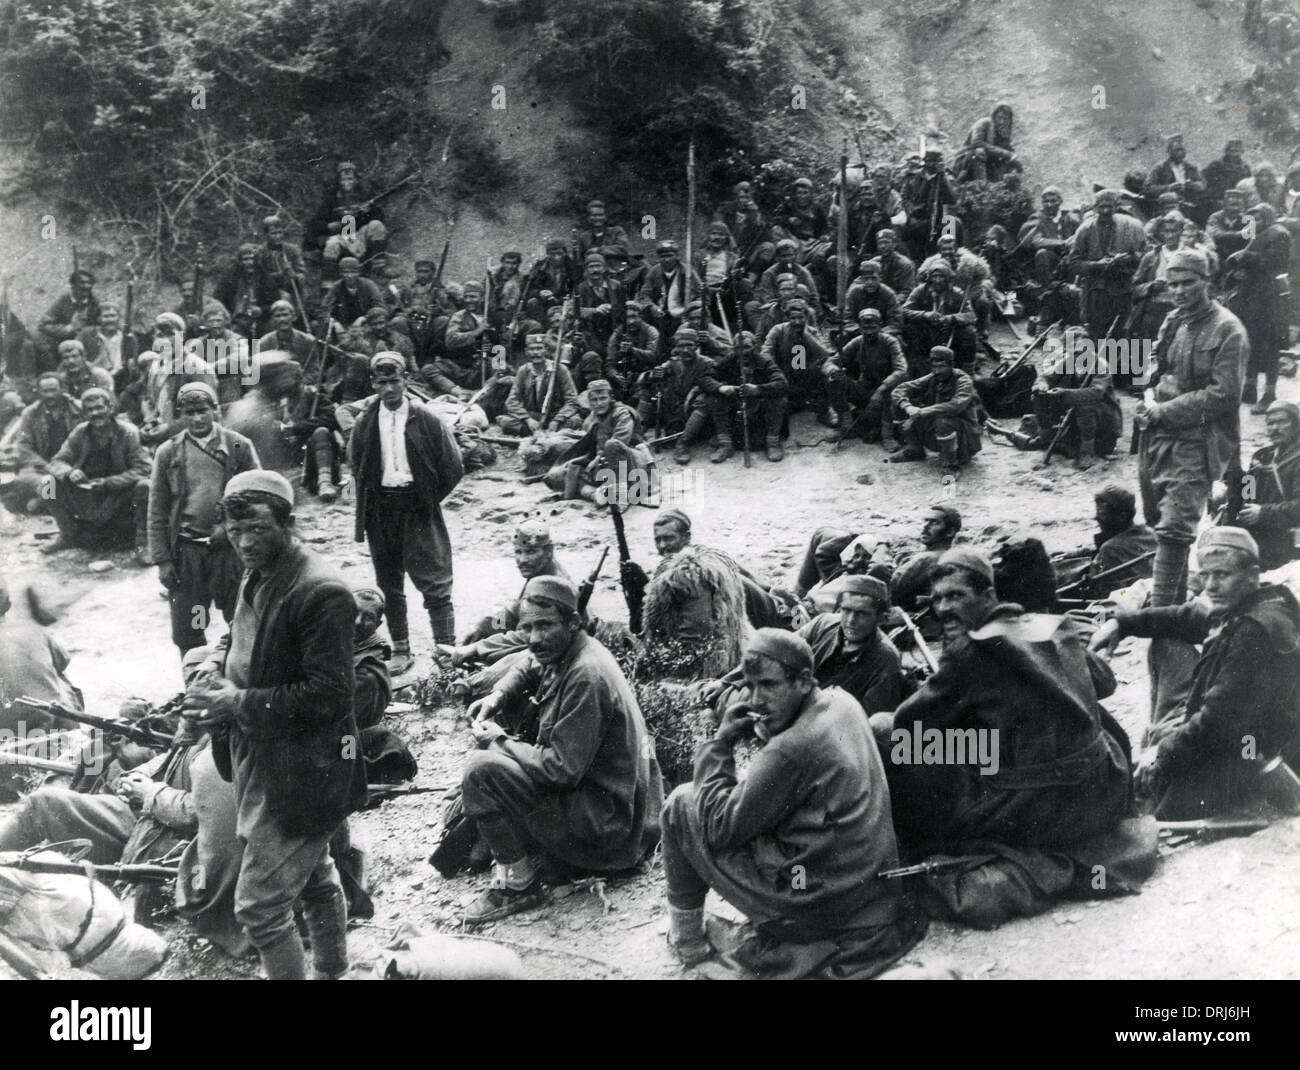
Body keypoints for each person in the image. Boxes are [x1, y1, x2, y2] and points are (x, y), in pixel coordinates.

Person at [183, 469, 366, 980]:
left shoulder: (321, 590)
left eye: (257, 529)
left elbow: (331, 695)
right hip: (259, 752)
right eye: (234, 531)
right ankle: (332, 972)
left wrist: (237, 702)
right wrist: (213, 669)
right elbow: (238, 637)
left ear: (287, 522)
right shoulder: (258, 569)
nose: (243, 542)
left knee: (260, 909)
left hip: (304, 764)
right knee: (314, 876)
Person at [660, 629, 923, 977]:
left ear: (803, 681)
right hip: (871, 891)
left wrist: (720, 742)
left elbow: (718, 828)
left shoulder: (790, 750)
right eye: (749, 685)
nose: (755, 700)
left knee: (682, 803)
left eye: (768, 685)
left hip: (813, 897)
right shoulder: (842, 702)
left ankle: (688, 939)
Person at [872, 548, 1131, 852]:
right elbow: (1104, 680)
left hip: (1044, 810)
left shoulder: (970, 652)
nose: (943, 608)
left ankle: (904, 845)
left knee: (883, 730)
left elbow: (909, 725)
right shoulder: (1048, 626)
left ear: (988, 594)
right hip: (1105, 791)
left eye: (955, 596)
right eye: (937, 600)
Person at [458, 575, 662, 924]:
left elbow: (560, 771)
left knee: (481, 771)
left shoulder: (585, 675)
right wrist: (496, 696)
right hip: (619, 806)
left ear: (573, 622)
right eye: (527, 628)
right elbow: (528, 662)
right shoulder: (574, 648)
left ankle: (519, 885)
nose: (535, 638)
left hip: (610, 827)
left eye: (545, 626)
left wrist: (499, 741)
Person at [1090, 527, 1300, 819]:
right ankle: (1161, 737)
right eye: (1205, 575)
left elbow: (1217, 724)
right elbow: (1183, 618)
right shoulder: (1256, 600)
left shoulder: (1254, 631)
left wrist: (1162, 754)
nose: (1210, 586)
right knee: (1167, 638)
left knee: (1141, 807)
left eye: (1222, 575)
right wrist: (1120, 624)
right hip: (1234, 730)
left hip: (1244, 757)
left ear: (1251, 574)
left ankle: (1157, 745)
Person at [1136, 247, 1249, 722]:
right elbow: (1156, 368)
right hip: (1159, 438)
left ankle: (1165, 622)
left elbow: (1224, 395)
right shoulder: (1173, 322)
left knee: (1175, 530)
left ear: (1209, 280)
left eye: (1188, 283)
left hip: (1198, 442)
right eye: (1173, 284)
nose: (1179, 291)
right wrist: (1153, 386)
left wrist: (1165, 405)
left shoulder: (1228, 329)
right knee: (1158, 518)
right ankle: (1176, 612)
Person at [349, 353, 464, 675]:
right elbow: (356, 463)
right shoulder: (366, 420)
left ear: (406, 380)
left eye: (395, 381)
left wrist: (428, 499)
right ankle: (400, 649)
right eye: (382, 382)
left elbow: (453, 466)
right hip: (382, 512)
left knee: (435, 581)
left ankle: (446, 650)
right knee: (389, 582)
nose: (389, 389)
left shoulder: (425, 417)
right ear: (373, 383)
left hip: (417, 509)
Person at [147, 382, 260, 658]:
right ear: (180, 415)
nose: (197, 419)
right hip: (188, 553)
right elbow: (157, 508)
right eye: (189, 412)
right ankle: (197, 685)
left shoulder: (237, 446)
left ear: (215, 410)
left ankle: (240, 681)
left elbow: (256, 493)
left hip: (231, 551)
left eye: (203, 411)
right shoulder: (169, 452)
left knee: (242, 618)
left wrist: (230, 525)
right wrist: (162, 559)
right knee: (192, 623)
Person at [42, 387, 150, 559]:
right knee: (46, 484)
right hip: (87, 494)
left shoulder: (128, 432)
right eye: (90, 410)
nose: (95, 413)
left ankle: (143, 543)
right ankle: (67, 534)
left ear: (110, 408)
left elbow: (144, 468)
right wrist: (70, 472)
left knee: (145, 486)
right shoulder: (80, 432)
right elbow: (56, 462)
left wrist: (109, 482)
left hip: (118, 496)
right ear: (84, 413)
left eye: (100, 407)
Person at [1024, 327, 1123, 468]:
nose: (1078, 354)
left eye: (1082, 349)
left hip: (1102, 421)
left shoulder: (1100, 365)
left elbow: (1095, 393)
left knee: (1085, 404)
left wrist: (1064, 393)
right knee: (1039, 395)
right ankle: (1045, 436)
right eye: (1073, 350)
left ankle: (1086, 453)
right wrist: (1042, 385)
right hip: (1075, 418)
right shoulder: (1068, 361)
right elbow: (1046, 376)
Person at [1225, 202, 1291, 411]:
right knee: (1250, 340)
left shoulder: (1279, 234)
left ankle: (1270, 393)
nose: (1255, 223)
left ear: (1268, 218)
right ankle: (1250, 386)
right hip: (1251, 295)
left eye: (1260, 218)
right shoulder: (1253, 236)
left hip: (1270, 296)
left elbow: (1274, 263)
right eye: (1252, 219)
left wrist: (1244, 257)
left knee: (1269, 345)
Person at [545, 378, 652, 504]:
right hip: (603, 465)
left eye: (603, 398)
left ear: (610, 398)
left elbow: (620, 440)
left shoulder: (622, 413)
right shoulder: (592, 417)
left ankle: (620, 493)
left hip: (628, 462)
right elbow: (588, 439)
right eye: (594, 400)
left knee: (612, 445)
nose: (599, 403)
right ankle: (593, 493)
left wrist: (597, 459)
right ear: (589, 402)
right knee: (555, 475)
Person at [886, 346, 981, 476]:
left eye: (941, 367)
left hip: (964, 437)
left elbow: (955, 405)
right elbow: (900, 390)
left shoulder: (963, 380)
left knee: (944, 421)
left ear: (951, 365)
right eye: (934, 367)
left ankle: (951, 464)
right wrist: (907, 407)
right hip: (938, 429)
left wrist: (921, 411)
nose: (937, 371)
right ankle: (915, 450)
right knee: (898, 404)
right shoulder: (934, 377)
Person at [638, 327, 728, 464]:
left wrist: (695, 393)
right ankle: (638, 433)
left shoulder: (707, 363)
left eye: (689, 345)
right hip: (677, 414)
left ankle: (683, 444)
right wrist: (652, 375)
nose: (685, 350)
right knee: (649, 392)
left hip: (698, 414)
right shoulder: (672, 363)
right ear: (676, 347)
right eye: (681, 346)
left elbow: (717, 384)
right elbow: (642, 380)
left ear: (697, 346)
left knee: (705, 399)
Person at [1068, 189, 1148, 343]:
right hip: (1096, 292)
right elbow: (1073, 263)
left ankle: (1118, 366)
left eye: (1109, 206)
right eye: (1101, 207)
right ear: (1095, 208)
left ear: (1116, 206)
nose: (1105, 211)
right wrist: (1095, 265)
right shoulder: (1085, 230)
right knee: (1096, 334)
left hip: (1123, 290)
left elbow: (1146, 255)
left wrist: (1130, 258)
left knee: (1122, 334)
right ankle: (1099, 366)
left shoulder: (1132, 226)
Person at [1228, 399, 1300, 569]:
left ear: (1296, 424)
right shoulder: (1262, 456)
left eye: (1282, 422)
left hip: (1290, 543)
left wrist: (1263, 513)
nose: (1275, 428)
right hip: (1262, 538)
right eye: (1270, 423)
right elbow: (1248, 496)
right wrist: (1232, 486)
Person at [824, 308, 908, 446]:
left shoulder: (890, 342)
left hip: (889, 393)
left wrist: (881, 389)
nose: (869, 332)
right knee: (834, 381)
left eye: (873, 328)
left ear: (880, 326)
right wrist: (833, 370)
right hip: (867, 392)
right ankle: (846, 427)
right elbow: (831, 362)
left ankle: (888, 436)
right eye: (865, 328)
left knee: (890, 396)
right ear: (860, 328)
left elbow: (901, 370)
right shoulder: (857, 342)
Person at [0, 372, 79, 517]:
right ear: (39, 392)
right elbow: (24, 447)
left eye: (53, 390)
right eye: (45, 391)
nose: (49, 395)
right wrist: (47, 467)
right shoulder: (30, 414)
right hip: (41, 466)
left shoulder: (77, 409)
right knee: (38, 481)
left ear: (62, 389)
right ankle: (50, 505)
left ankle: (44, 502)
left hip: (73, 465)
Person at [712, 329, 789, 462]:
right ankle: (726, 444)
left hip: (761, 413)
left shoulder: (764, 361)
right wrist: (721, 387)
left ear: (755, 347)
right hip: (738, 411)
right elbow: (707, 376)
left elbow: (782, 384)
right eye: (738, 348)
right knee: (714, 397)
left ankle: (773, 443)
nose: (742, 352)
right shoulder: (730, 359)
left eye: (747, 347)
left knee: (778, 400)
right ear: (734, 349)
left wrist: (758, 389)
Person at [758, 299, 833, 427]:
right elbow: (766, 351)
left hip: (806, 376)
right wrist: (774, 370)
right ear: (787, 318)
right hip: (784, 375)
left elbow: (826, 353)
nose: (797, 322)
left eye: (801, 318)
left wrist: (806, 335)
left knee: (826, 367)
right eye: (793, 318)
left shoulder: (812, 332)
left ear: (806, 318)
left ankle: (824, 411)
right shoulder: (778, 330)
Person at [310, 160, 389, 275]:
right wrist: (328, 226)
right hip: (342, 237)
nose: (347, 182)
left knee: (376, 225)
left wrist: (368, 212)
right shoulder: (331, 199)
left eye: (350, 179)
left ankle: (379, 268)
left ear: (356, 180)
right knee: (332, 244)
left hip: (360, 236)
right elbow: (316, 222)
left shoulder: (364, 196)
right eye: (344, 179)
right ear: (339, 181)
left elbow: (379, 218)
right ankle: (329, 281)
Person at [899, 259, 978, 372]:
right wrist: (925, 315)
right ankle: (915, 366)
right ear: (929, 278)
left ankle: (969, 371)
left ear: (948, 278)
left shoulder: (957, 293)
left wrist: (951, 318)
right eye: (934, 276)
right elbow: (904, 311)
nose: (937, 280)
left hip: (949, 333)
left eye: (942, 277)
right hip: (926, 331)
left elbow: (971, 316)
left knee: (969, 331)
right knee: (909, 328)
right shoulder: (920, 291)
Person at [495, 333, 578, 436]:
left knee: (575, 421)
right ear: (526, 352)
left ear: (546, 351)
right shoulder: (523, 371)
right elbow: (512, 401)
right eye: (532, 349)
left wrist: (557, 420)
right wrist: (528, 419)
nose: (536, 353)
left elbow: (572, 400)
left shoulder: (560, 370)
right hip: (532, 417)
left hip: (555, 415)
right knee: (506, 423)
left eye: (539, 348)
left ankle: (542, 431)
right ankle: (541, 432)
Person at [1086, 485, 1157, 594]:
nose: (1096, 518)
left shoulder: (1110, 549)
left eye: (1102, 514)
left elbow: (1104, 595)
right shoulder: (1151, 533)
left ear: (1122, 517)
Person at [1017, 186, 1078, 290]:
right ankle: (1048, 287)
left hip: (1067, 259)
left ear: (1060, 201)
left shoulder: (1069, 219)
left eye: (1053, 201)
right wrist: (1062, 243)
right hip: (1047, 261)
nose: (1049, 205)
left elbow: (1080, 235)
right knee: (1042, 253)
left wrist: (1073, 241)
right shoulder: (1037, 218)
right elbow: (1035, 241)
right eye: (1046, 201)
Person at [37, 270, 100, 367]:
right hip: (61, 340)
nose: (86, 286)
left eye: (89, 283)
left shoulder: (95, 302)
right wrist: (69, 328)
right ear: (73, 285)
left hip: (85, 342)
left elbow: (101, 324)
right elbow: (44, 324)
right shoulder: (63, 300)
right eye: (82, 283)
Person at [1143, 135, 1207, 225]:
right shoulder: (1160, 168)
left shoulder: (1190, 167)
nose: (1180, 153)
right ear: (1169, 151)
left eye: (1182, 150)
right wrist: (1168, 188)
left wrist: (1192, 185)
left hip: (1190, 205)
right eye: (1176, 150)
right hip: (1168, 206)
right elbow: (1147, 188)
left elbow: (1203, 185)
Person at [957, 102, 1021, 183]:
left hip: (987, 164)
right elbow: (976, 143)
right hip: (966, 163)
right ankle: (983, 187)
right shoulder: (983, 124)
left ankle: (1001, 186)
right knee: (979, 151)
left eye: (1005, 119)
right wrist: (1007, 154)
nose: (1002, 122)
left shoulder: (1003, 132)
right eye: (999, 117)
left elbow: (1008, 150)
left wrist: (1014, 158)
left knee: (1011, 162)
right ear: (994, 116)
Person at [256, 300, 315, 364]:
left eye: (285, 315)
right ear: (272, 319)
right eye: (278, 316)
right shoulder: (264, 343)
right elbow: (256, 371)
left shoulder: (307, 341)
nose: (282, 319)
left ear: (293, 316)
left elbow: (314, 369)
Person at [1203, 139, 1252, 209]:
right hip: (1216, 201)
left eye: (1237, 151)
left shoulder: (1245, 169)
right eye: (1232, 151)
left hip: (1237, 202)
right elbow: (1204, 181)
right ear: (1227, 151)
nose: (1234, 154)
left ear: (1242, 152)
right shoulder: (1216, 165)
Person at [870, 229, 917, 297]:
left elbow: (907, 291)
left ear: (894, 244)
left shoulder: (905, 264)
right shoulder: (874, 263)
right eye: (880, 243)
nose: (883, 246)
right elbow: (861, 283)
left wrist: (890, 302)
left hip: (896, 302)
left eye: (886, 242)